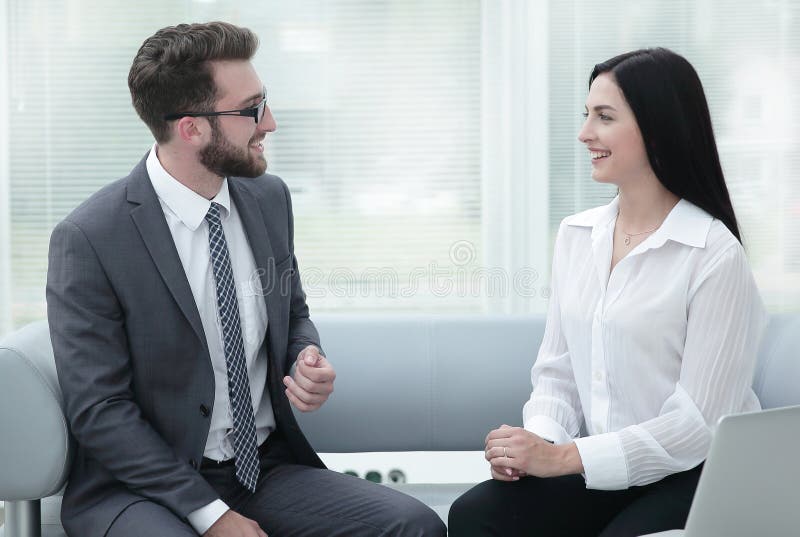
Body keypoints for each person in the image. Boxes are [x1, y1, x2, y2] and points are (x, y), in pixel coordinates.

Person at [46, 21, 445, 537]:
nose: (271, 123)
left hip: (262, 469)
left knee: (415, 526)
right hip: (141, 488)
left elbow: (292, 309)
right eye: (252, 110)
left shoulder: (268, 199)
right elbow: (101, 411)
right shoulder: (90, 237)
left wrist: (305, 356)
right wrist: (212, 516)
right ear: (191, 128)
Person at [448, 47, 767, 537]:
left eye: (604, 117)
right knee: (477, 515)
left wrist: (563, 457)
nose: (584, 133)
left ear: (657, 127)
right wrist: (533, 446)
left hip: (696, 474)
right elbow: (558, 376)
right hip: (602, 466)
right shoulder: (576, 236)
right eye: (586, 115)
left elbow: (698, 424)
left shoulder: (714, 254)